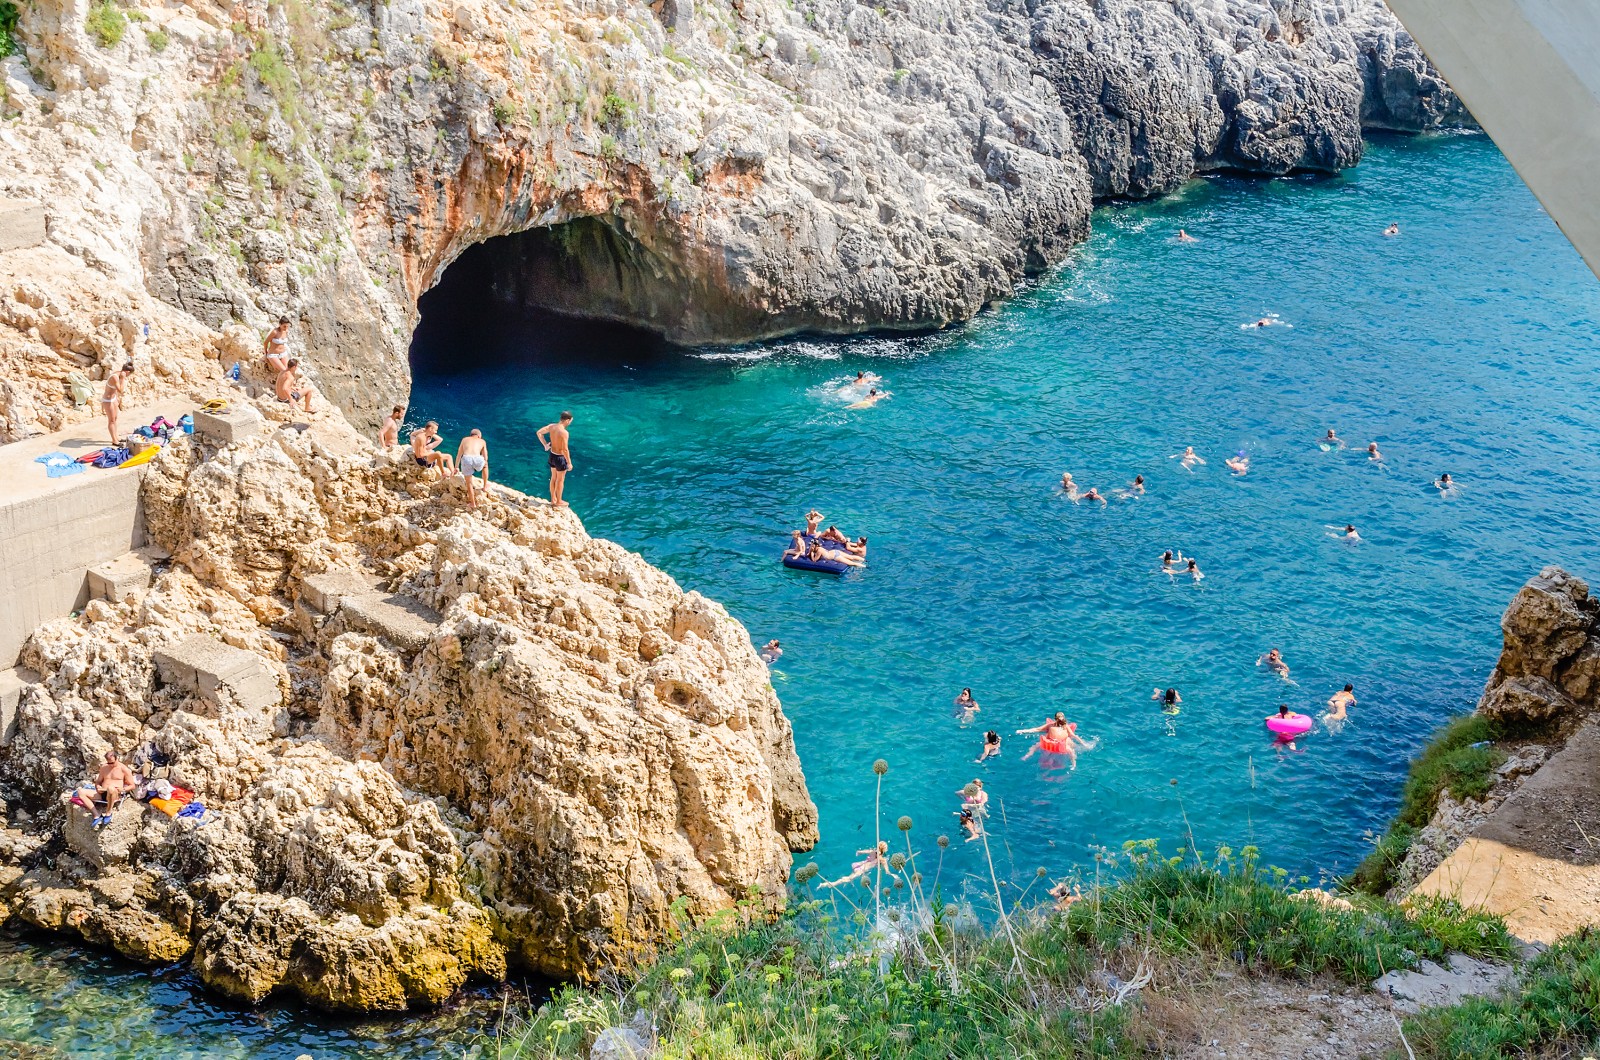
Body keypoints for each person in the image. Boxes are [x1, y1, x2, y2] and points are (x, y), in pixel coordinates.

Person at [1018, 712, 1094, 767]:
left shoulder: (1065, 726)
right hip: (1050, 742)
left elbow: (1073, 735)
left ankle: (1074, 764)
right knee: (1035, 746)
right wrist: (1023, 731)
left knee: (1071, 751)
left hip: (1062, 744)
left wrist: (1084, 744)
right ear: (1056, 719)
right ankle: (1027, 755)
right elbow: (1037, 729)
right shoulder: (1050, 725)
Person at [537, 411, 574, 508]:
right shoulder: (564, 432)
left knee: (553, 478)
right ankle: (559, 501)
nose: (570, 423)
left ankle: (553, 499)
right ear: (567, 420)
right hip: (560, 458)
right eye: (570, 421)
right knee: (560, 480)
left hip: (552, 455)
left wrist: (545, 445)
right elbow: (565, 449)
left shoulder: (552, 426)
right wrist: (569, 463)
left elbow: (539, 433)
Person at [818, 841, 893, 888]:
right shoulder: (882, 860)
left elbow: (863, 851)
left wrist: (858, 852)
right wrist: (892, 874)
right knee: (848, 879)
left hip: (858, 866)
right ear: (885, 850)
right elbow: (887, 871)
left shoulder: (873, 851)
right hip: (861, 870)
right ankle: (830, 884)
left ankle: (834, 883)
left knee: (849, 878)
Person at [93, 751, 136, 828]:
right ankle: (96, 815)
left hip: (115, 793)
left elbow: (132, 786)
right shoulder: (104, 768)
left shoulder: (124, 769)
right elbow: (98, 782)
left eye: (112, 763)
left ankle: (108, 812)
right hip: (103, 792)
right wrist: (98, 787)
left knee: (111, 788)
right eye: (109, 763)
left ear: (117, 759)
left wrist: (123, 789)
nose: (111, 765)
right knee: (80, 792)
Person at [101, 361, 134, 445]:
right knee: (111, 420)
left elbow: (114, 389)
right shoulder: (115, 377)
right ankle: (114, 440)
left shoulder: (119, 374)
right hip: (107, 400)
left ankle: (116, 437)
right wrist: (122, 379)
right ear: (127, 372)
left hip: (113, 399)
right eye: (129, 374)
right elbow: (120, 390)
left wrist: (117, 398)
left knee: (115, 418)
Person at [455, 428, 490, 507]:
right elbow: (485, 456)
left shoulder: (464, 439)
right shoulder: (482, 441)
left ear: (471, 435)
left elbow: (459, 454)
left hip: (467, 459)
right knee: (485, 466)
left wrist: (456, 467)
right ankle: (484, 487)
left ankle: (472, 503)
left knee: (469, 483)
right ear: (479, 436)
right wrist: (485, 462)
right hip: (477, 459)